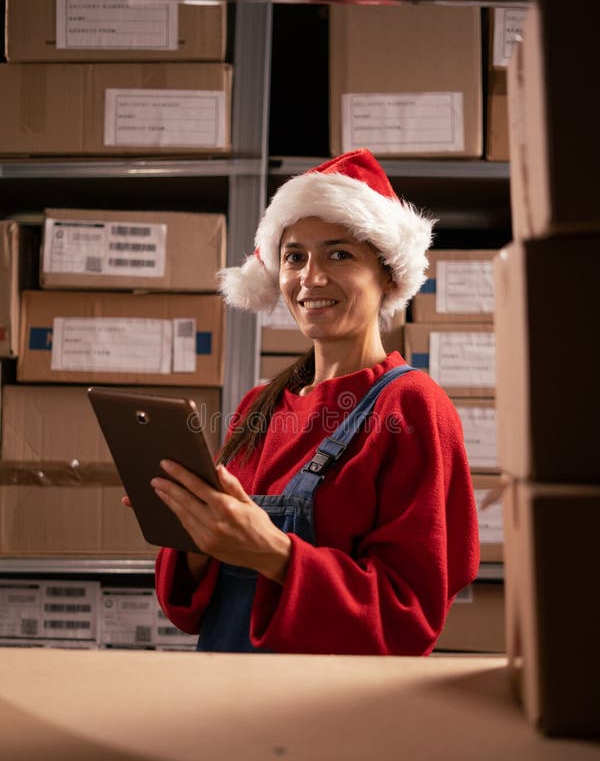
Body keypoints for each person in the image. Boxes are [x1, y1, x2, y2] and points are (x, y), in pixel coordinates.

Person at [150, 148, 479, 654]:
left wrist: (275, 554)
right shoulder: (260, 404)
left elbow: (409, 619)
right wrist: (194, 533)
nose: (311, 278)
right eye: (294, 256)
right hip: (227, 702)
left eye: (339, 254)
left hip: (329, 714)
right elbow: (189, 611)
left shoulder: (412, 407)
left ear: (388, 274)